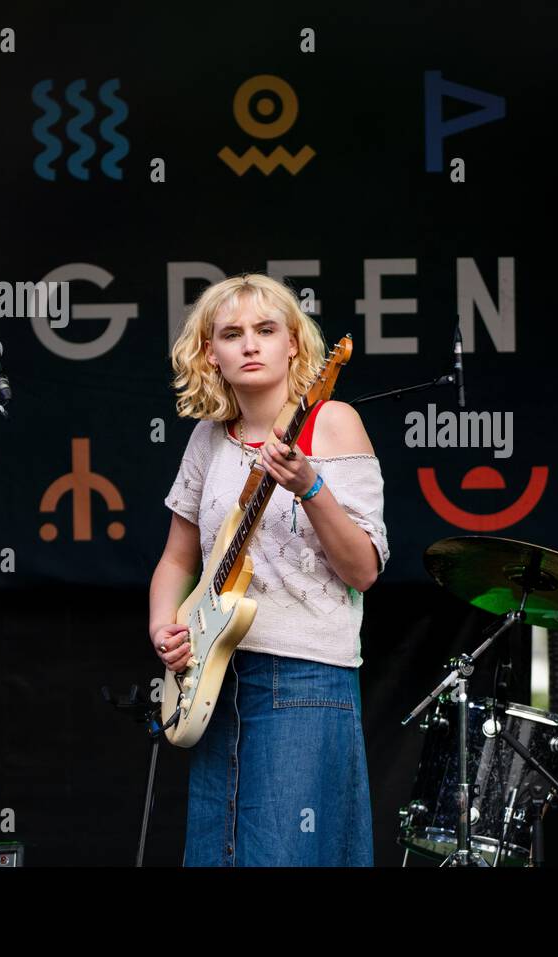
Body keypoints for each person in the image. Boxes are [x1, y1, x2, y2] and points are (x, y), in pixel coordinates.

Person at [148, 274, 388, 866]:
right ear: (212, 354)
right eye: (232, 334)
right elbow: (177, 560)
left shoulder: (331, 421)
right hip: (215, 676)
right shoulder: (208, 440)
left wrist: (312, 487)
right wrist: (163, 629)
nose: (249, 344)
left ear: (293, 346)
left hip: (304, 679)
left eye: (265, 330)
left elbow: (364, 570)